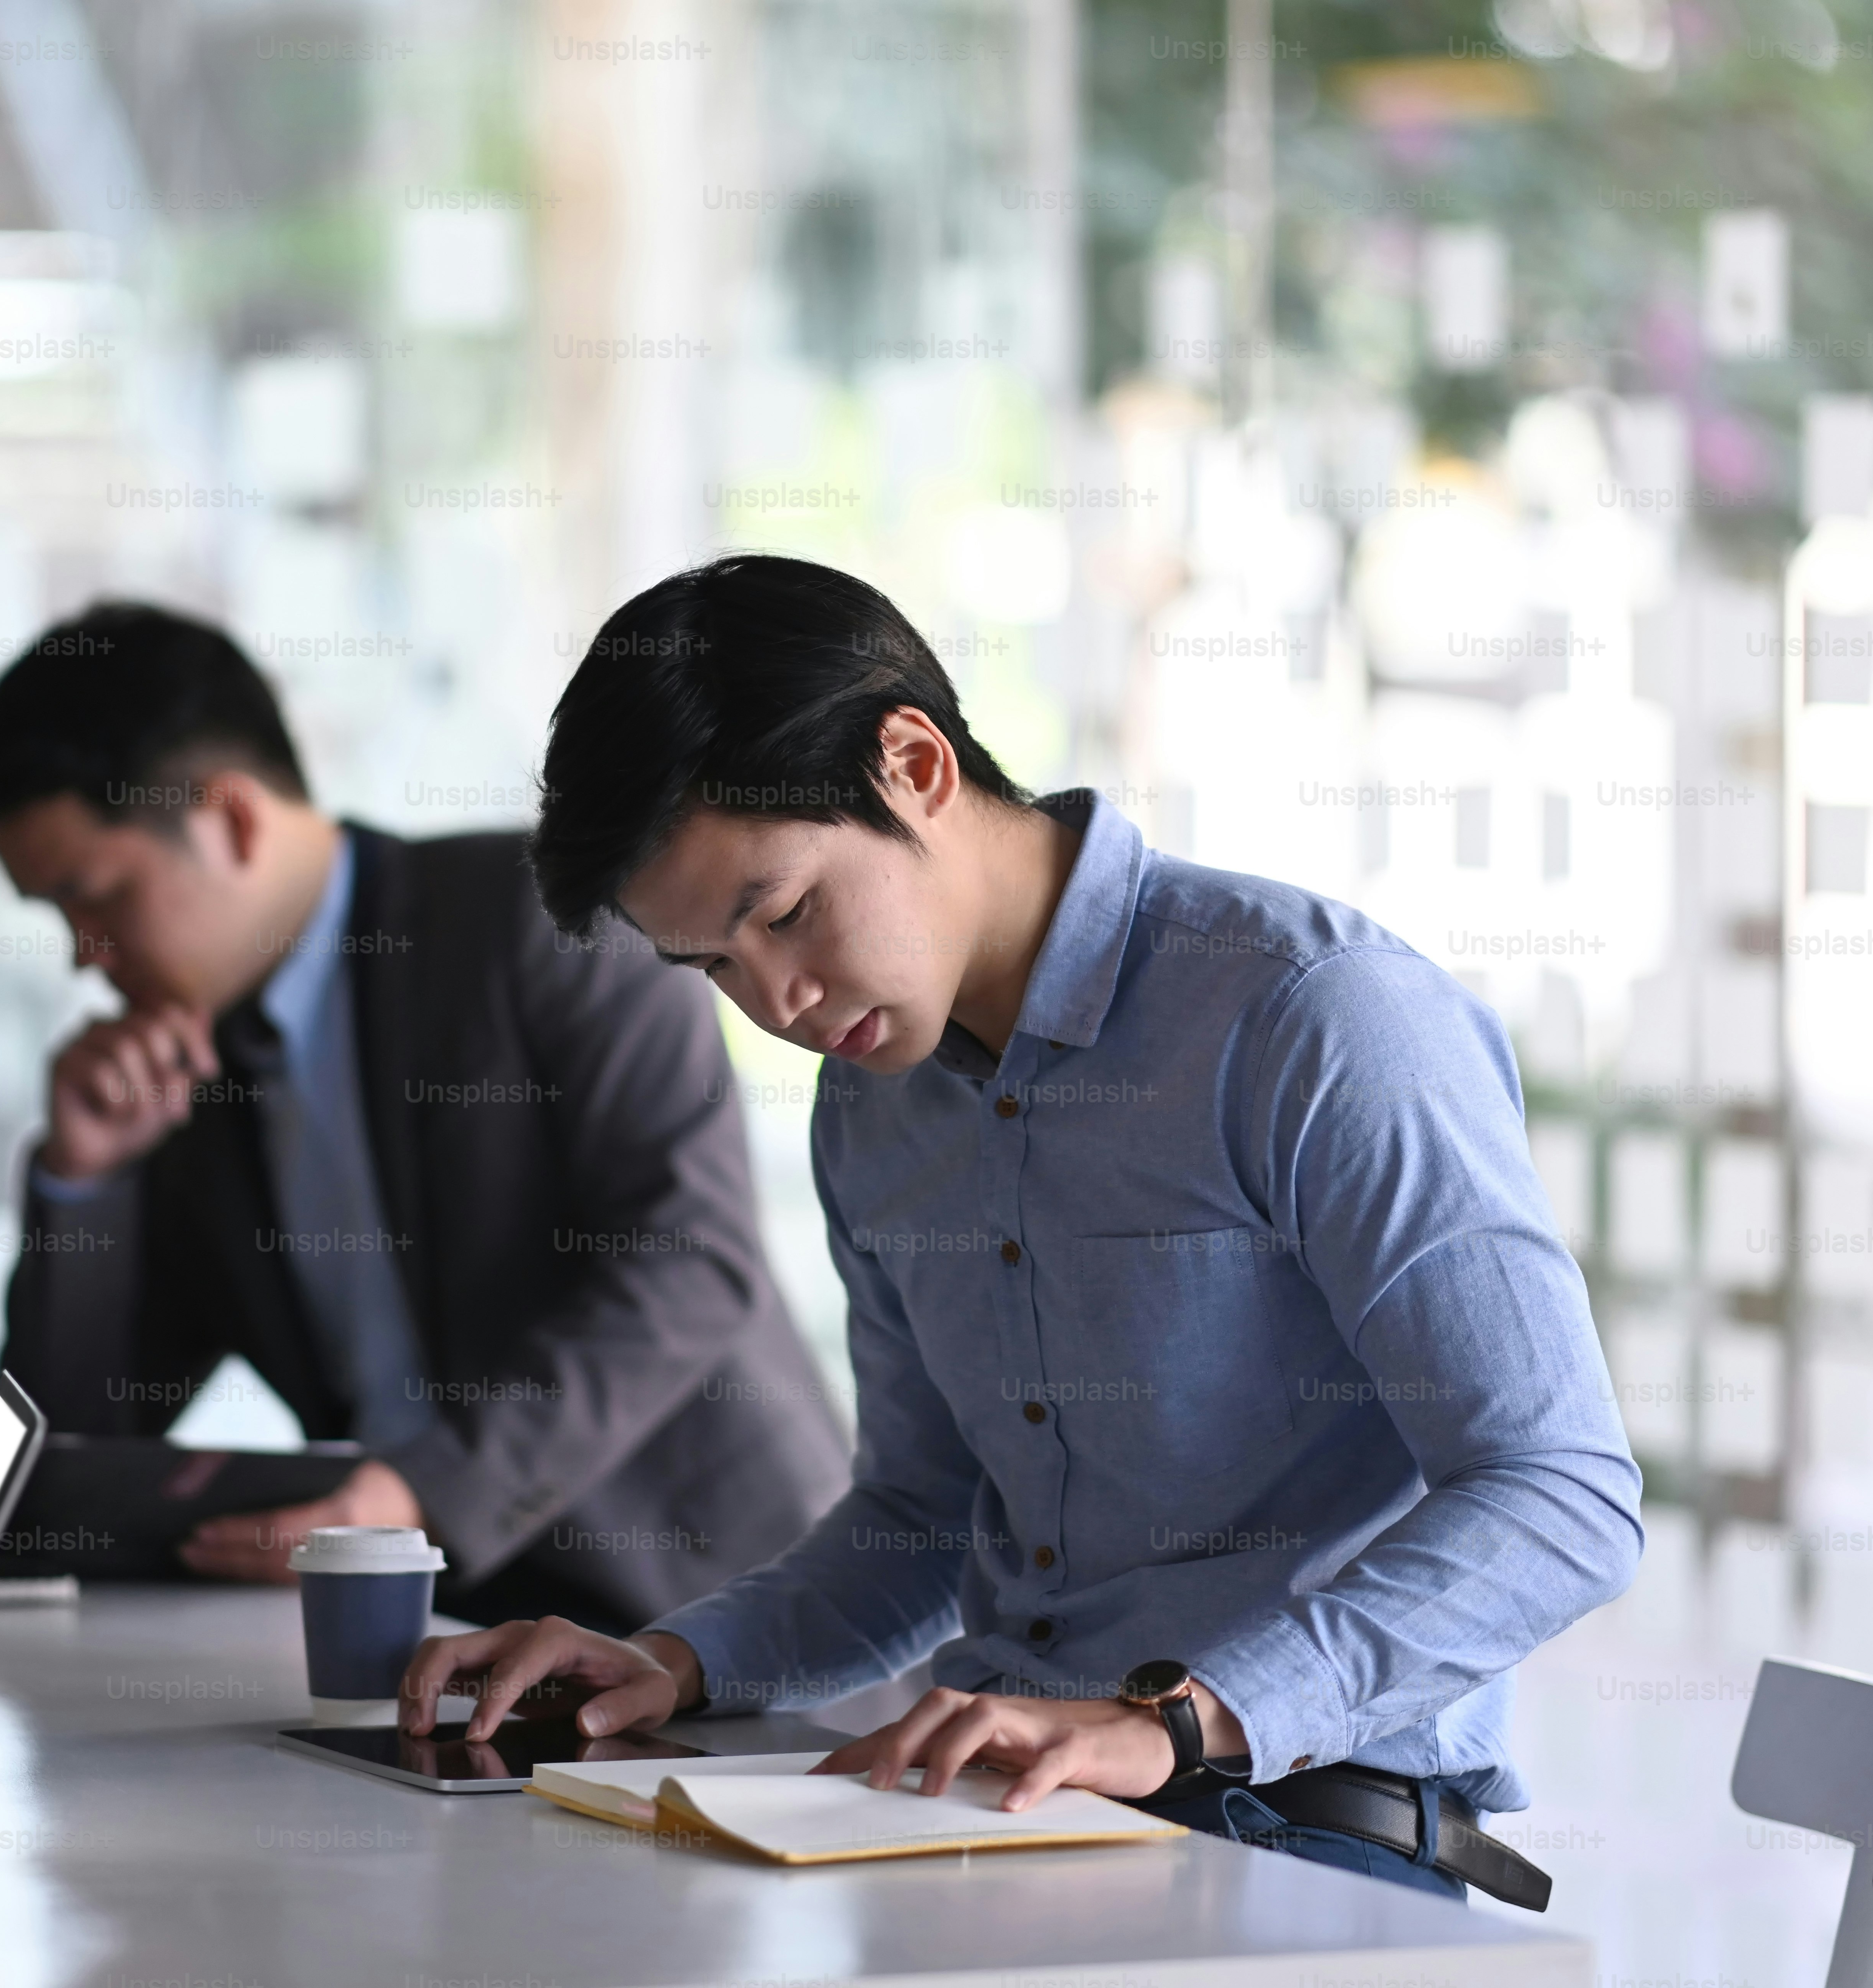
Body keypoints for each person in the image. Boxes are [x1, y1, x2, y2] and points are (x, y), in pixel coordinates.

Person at [399, 555, 1641, 1905]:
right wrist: (680, 1662)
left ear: (914, 765)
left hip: (1296, 1844)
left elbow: (1561, 1493)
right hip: (976, 1827)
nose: (781, 1004)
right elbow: (922, 1519)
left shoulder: (1316, 1017)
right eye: (714, 970)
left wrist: (1170, 1722)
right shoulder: (871, 1112)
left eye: (787, 913)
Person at [0, 601, 848, 1631]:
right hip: (435, 1656)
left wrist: (424, 1494)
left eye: (94, 900)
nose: (82, 956)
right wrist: (85, 1180)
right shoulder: (186, 1077)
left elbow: (689, 1262)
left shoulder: (539, 921)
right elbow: (75, 1459)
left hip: (725, 1626)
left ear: (230, 820)